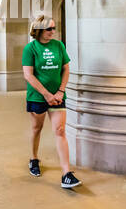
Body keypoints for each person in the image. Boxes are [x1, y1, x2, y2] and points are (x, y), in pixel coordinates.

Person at [21, 14, 81, 189]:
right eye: (49, 29)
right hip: (38, 97)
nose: (53, 31)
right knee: (36, 128)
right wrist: (47, 94)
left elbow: (66, 68)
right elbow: (28, 75)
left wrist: (61, 91)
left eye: (54, 28)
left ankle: (66, 174)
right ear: (39, 30)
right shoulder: (30, 49)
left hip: (58, 97)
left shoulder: (58, 45)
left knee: (60, 130)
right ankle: (33, 159)